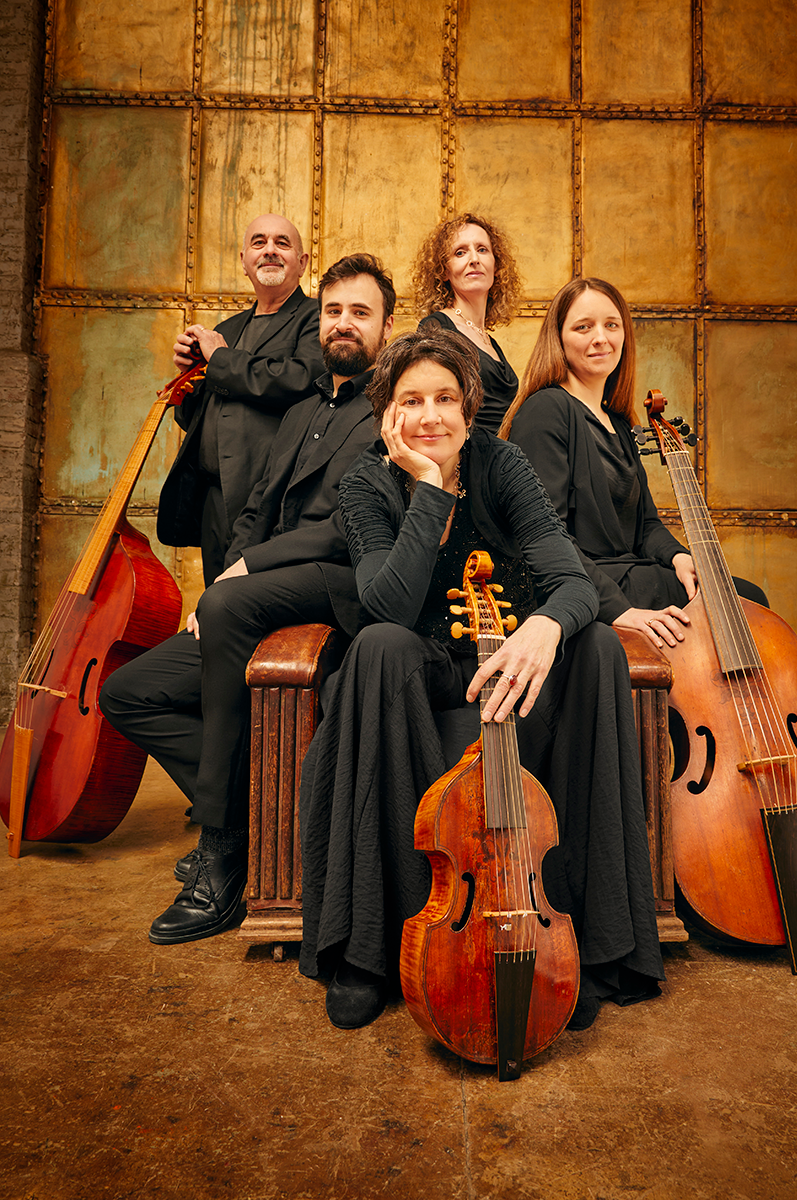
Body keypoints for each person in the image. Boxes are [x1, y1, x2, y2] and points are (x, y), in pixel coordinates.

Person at [297, 327, 664, 1034]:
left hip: (516, 672)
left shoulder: (503, 465)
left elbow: (569, 574)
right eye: (412, 400)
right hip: (422, 681)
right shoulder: (368, 481)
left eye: (445, 399)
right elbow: (388, 603)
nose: (430, 415)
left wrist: (546, 627)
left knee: (596, 650)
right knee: (376, 647)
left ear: (469, 412)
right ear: (387, 415)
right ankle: (373, 953)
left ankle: (591, 945)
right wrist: (429, 490)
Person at [99, 254, 396, 946]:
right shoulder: (297, 412)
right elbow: (256, 509)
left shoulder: (393, 409)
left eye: (361, 311)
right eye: (333, 310)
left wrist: (245, 573)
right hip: (263, 591)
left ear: (386, 325)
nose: (343, 323)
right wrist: (229, 573)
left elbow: (348, 528)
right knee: (128, 691)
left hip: (339, 585)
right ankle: (265, 805)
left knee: (230, 605)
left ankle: (223, 848)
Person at [500, 277, 767, 652]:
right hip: (586, 582)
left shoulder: (620, 424)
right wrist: (620, 610)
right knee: (744, 601)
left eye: (611, 325)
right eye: (583, 326)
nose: (600, 338)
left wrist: (678, 556)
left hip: (629, 574)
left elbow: (646, 525)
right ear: (558, 338)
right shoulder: (546, 411)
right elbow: (548, 537)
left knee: (743, 600)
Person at [158, 213, 326, 585]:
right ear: (244, 262)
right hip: (215, 499)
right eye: (259, 242)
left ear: (302, 262)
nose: (270, 250)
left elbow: (301, 380)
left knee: (255, 606)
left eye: (282, 243)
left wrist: (221, 360)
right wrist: (188, 379)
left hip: (270, 496)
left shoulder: (315, 318)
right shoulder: (226, 330)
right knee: (216, 606)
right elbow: (195, 419)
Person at [412, 212, 522, 434]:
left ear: (496, 265)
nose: (474, 259)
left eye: (482, 249)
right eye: (460, 252)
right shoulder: (436, 328)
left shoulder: (489, 341)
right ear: (444, 271)